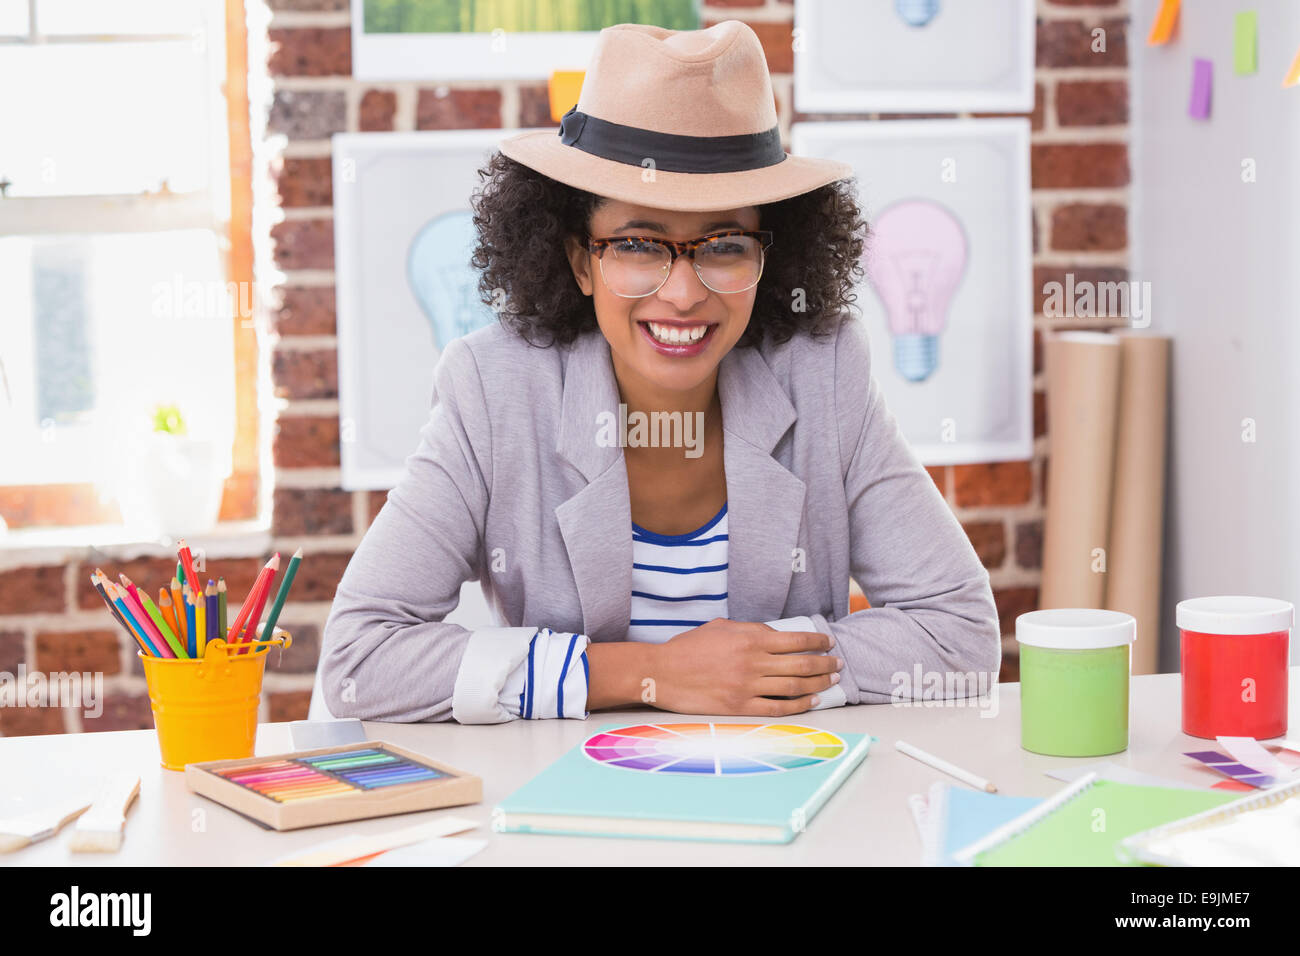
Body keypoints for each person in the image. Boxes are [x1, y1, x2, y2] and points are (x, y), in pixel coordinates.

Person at [320, 20, 1000, 724]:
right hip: (570, 806)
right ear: (582, 260)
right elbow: (359, 663)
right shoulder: (493, 391)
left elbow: (960, 634)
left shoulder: (823, 373)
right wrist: (650, 675)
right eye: (640, 243)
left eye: (725, 243)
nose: (682, 293)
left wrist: (755, 673)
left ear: (770, 258)